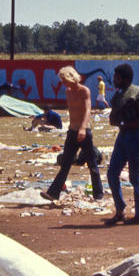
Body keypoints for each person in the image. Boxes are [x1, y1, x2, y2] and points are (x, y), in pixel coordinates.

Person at [105, 63, 139, 225]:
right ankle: (120, 209)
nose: (114, 80)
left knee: (135, 176)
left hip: (136, 137)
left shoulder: (137, 95)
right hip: (123, 136)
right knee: (112, 173)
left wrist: (126, 125)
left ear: (125, 78)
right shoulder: (120, 95)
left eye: (117, 77)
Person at [43, 66, 103, 203]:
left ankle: (98, 195)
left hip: (84, 132)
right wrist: (73, 128)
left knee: (92, 164)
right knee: (66, 163)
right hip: (72, 131)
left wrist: (82, 128)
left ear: (71, 78)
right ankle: (53, 193)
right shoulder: (68, 91)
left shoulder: (84, 91)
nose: (64, 83)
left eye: (65, 80)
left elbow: (88, 110)